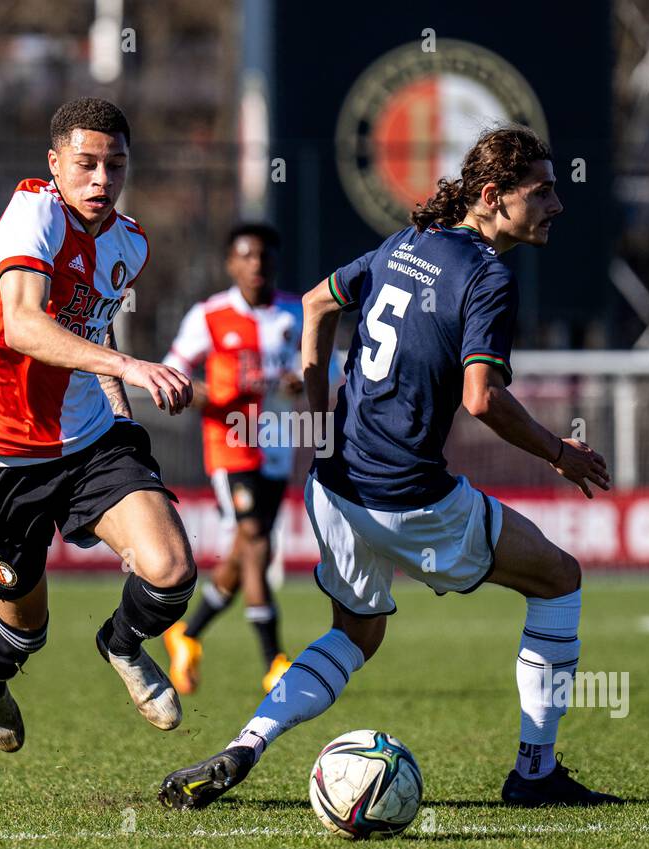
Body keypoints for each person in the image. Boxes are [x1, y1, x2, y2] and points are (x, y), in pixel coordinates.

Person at [159, 124, 619, 810]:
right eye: (543, 191)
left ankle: (248, 743)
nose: (557, 204)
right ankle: (535, 772)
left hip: (335, 486)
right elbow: (481, 399)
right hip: (408, 498)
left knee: (355, 634)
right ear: (492, 196)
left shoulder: (403, 243)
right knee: (558, 579)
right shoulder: (488, 277)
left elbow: (315, 306)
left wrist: (320, 422)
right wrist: (560, 452)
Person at [0, 97, 197, 752]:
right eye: (85, 164)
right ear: (55, 164)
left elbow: (92, 322)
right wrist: (133, 366)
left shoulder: (130, 241)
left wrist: (119, 406)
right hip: (3, 452)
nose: (101, 181)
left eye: (114, 166)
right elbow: (28, 326)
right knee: (24, 630)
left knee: (170, 570)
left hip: (90, 438)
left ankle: (121, 643)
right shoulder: (34, 213)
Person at [160, 223, 303, 695]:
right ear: (231, 264)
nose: (256, 265)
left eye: (263, 256)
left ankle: (188, 634)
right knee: (257, 540)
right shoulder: (210, 315)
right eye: (246, 256)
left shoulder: (294, 313)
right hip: (230, 445)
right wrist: (212, 393)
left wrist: (303, 379)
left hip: (278, 443)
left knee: (248, 552)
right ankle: (274, 661)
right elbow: (174, 373)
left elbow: (326, 365)